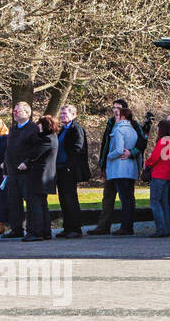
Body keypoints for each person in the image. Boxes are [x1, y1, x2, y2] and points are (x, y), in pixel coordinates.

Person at [90, 98, 144, 235]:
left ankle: (126, 226)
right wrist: (103, 164)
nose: (115, 110)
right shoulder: (111, 123)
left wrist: (132, 152)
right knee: (108, 195)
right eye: (113, 107)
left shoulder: (133, 124)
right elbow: (105, 144)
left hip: (121, 163)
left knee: (126, 196)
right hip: (111, 165)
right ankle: (103, 225)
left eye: (118, 108)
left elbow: (142, 141)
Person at [3, 102, 41, 239]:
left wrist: (27, 162)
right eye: (14, 110)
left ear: (27, 113)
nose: (14, 113)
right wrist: (5, 169)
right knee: (14, 202)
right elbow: (8, 150)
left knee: (31, 202)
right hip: (13, 173)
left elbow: (37, 149)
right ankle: (16, 229)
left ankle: (33, 231)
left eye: (17, 111)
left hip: (26, 173)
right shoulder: (13, 130)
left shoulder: (33, 128)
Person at [21, 114, 59, 242]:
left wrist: (26, 162)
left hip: (40, 177)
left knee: (35, 206)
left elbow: (34, 154)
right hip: (43, 177)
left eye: (40, 124)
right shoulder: (50, 138)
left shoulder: (47, 140)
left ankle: (36, 232)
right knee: (42, 205)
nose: (38, 126)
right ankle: (45, 231)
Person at [53, 105, 89, 238]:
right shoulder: (63, 130)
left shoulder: (76, 129)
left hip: (69, 169)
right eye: (61, 114)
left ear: (73, 114)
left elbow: (78, 148)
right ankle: (67, 227)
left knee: (70, 199)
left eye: (65, 114)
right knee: (63, 199)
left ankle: (75, 228)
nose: (62, 116)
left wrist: (69, 166)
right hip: (60, 168)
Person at [144, 119, 170, 238]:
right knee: (164, 203)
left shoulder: (163, 141)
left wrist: (146, 163)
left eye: (158, 127)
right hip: (167, 174)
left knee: (155, 202)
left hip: (158, 174)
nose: (157, 130)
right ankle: (166, 228)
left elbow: (155, 157)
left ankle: (160, 229)